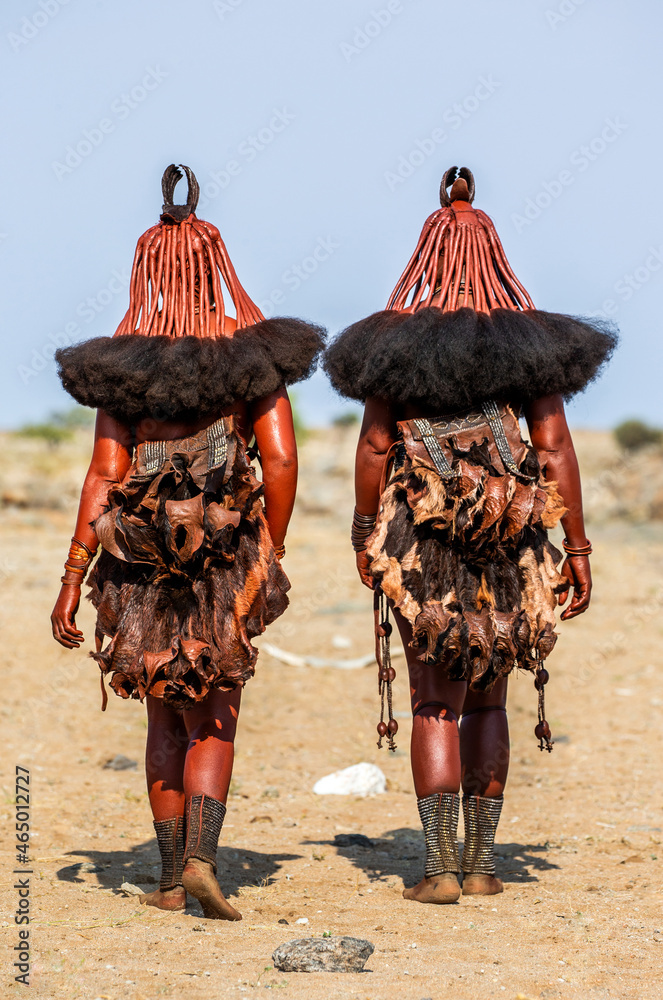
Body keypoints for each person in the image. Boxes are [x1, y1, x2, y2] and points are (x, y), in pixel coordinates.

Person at [324, 166, 616, 905]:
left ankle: (441, 869)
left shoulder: (390, 348)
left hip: (418, 541)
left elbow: (372, 448)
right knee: (489, 698)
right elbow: (552, 447)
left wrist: (366, 532)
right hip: (511, 540)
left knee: (432, 702)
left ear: (426, 252)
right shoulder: (527, 346)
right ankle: (481, 866)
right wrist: (575, 548)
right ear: (491, 253)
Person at [51, 165, 324, 919]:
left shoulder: (121, 372)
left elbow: (102, 477)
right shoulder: (254, 363)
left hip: (133, 562)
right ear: (215, 266)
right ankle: (203, 860)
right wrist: (271, 544)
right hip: (224, 556)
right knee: (215, 708)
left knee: (161, 712)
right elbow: (282, 460)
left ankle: (170, 880)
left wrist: (73, 578)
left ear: (148, 270)